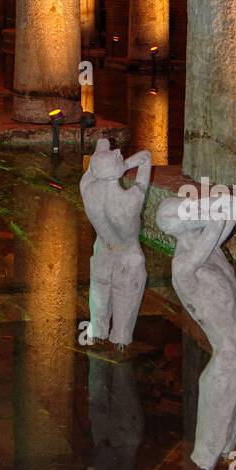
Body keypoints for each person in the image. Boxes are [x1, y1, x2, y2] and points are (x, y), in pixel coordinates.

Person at [156, 191, 236, 470]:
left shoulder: (212, 252)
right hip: (226, 364)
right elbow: (216, 221)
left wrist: (208, 206)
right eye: (185, 212)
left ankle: (223, 460)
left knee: (233, 431)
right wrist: (208, 209)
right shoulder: (184, 266)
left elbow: (230, 212)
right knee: (208, 454)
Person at [80, 139, 152, 347]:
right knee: (122, 331)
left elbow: (94, 167)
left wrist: (110, 165)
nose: (118, 150)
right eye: (116, 154)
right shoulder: (131, 199)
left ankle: (97, 340)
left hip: (103, 254)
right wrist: (123, 166)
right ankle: (120, 351)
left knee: (98, 318)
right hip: (127, 259)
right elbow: (146, 157)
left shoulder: (87, 189)